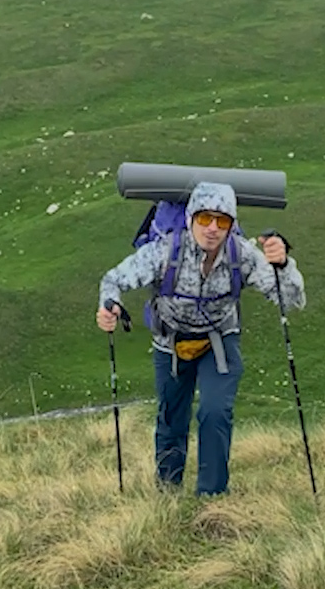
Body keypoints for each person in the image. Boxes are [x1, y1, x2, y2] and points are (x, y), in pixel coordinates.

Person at [95, 180, 305, 496]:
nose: (212, 228)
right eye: (204, 218)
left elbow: (290, 299)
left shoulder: (242, 255)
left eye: (222, 221)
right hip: (170, 342)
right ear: (191, 217)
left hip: (219, 340)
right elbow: (113, 280)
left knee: (215, 412)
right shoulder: (164, 251)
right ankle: (167, 492)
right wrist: (108, 306)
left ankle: (212, 496)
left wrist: (284, 265)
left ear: (231, 225)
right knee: (171, 417)